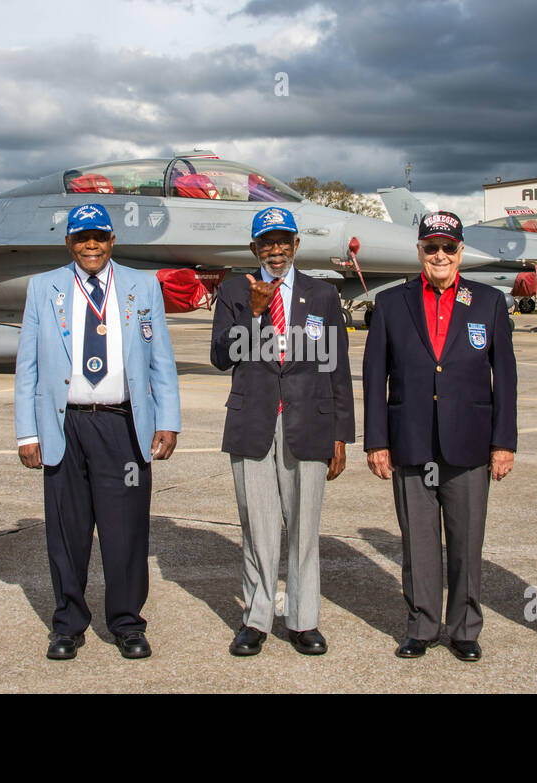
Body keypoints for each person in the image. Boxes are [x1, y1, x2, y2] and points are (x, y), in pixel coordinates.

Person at [14, 203, 181, 661]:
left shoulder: (142, 286)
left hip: (121, 424)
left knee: (125, 530)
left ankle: (127, 623)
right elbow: (26, 366)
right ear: (68, 243)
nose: (92, 245)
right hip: (64, 422)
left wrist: (168, 419)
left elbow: (161, 360)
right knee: (67, 530)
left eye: (100, 236)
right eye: (82, 237)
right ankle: (68, 623)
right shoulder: (43, 288)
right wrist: (26, 432)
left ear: (112, 241)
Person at [363, 210, 517, 661]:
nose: (440, 255)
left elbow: (504, 379)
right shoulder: (392, 303)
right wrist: (376, 440)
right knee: (418, 540)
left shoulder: (489, 302)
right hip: (410, 440)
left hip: (469, 443)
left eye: (449, 247)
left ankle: (465, 628)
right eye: (431, 247)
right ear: (419, 252)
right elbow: (375, 378)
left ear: (461, 252)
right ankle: (422, 625)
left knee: (467, 541)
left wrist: (503, 442)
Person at [210, 206, 354, 656]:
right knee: (258, 525)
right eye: (266, 243)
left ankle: (303, 620)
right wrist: (253, 316)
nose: (276, 250)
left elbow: (336, 367)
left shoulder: (322, 294)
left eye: (283, 241)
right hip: (253, 419)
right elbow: (220, 356)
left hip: (309, 420)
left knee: (305, 525)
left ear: (296, 246)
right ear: (254, 248)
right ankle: (256, 618)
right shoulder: (235, 290)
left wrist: (341, 434)